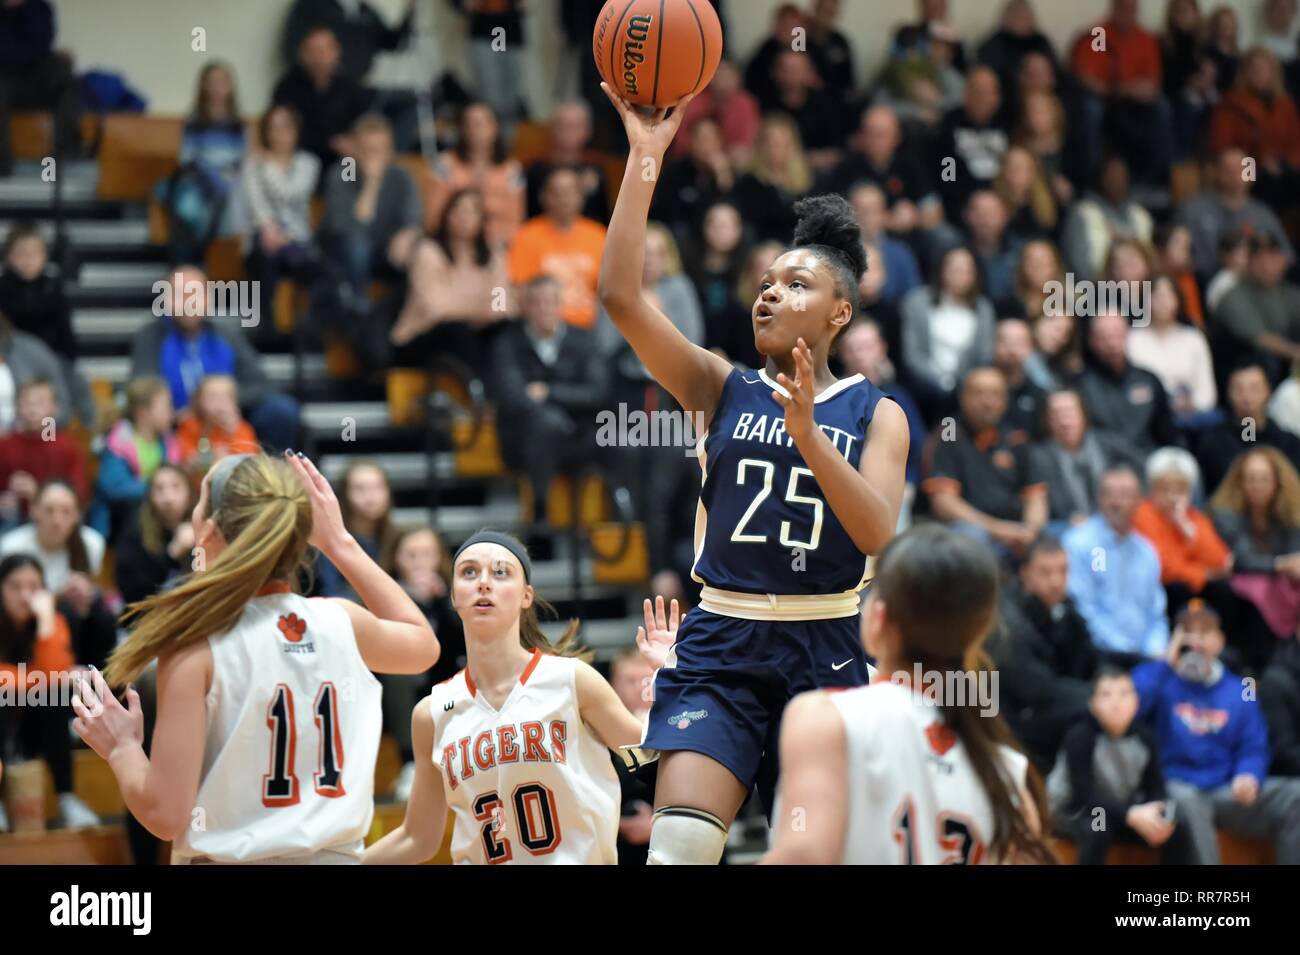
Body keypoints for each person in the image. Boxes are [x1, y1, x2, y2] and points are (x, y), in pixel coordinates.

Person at [597, 84, 910, 864]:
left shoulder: (880, 412)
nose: (772, 290)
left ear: (840, 313)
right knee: (674, 854)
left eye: (797, 283)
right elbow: (619, 296)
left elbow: (877, 532)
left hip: (828, 642)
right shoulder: (719, 384)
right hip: (722, 642)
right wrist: (645, 159)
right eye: (768, 280)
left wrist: (809, 434)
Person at [72, 452, 439, 864]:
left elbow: (165, 815)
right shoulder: (342, 621)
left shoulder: (196, 646)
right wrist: (339, 542)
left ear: (208, 530)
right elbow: (423, 646)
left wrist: (122, 748)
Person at [760, 525, 1053, 864]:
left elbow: (803, 856)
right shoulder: (1008, 775)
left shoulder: (826, 718)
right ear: (977, 635)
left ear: (878, 619)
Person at [363, 531, 646, 864]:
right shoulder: (432, 713)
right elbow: (417, 838)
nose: (484, 583)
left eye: (500, 573)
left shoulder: (572, 680)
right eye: (469, 572)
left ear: (526, 596)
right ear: (453, 595)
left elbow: (655, 759)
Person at [1133, 600, 1300, 864]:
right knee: (1188, 800)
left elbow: (1254, 745)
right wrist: (1167, 661)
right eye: (1188, 631)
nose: (1197, 641)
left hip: (1224, 790)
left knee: (1295, 796)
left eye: (1205, 632)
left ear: (1220, 641)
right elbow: (1128, 710)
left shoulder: (1239, 689)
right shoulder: (1160, 678)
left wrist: (1248, 773)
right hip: (1176, 787)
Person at [131, 264, 302, 454]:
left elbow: (261, 384)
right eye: (181, 295)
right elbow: (141, 389)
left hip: (229, 419)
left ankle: (274, 478)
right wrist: (186, 410)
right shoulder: (150, 337)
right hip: (175, 422)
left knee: (281, 411)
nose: (189, 303)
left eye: (195, 294)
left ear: (208, 298)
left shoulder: (227, 335)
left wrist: (222, 403)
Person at [491, 275, 612, 520]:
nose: (544, 308)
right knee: (546, 424)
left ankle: (618, 525)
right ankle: (540, 511)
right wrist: (559, 409)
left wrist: (549, 392)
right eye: (537, 302)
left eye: (551, 301)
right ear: (526, 307)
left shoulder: (584, 340)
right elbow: (513, 397)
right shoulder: (507, 342)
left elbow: (598, 393)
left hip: (577, 436)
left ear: (561, 305)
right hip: (524, 439)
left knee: (623, 441)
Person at [1055, 667, 1196, 864]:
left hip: (1120, 812)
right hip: (1075, 812)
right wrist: (1130, 814)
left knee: (1176, 828)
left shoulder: (1145, 737)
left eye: (1124, 694)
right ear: (1092, 704)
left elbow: (1156, 787)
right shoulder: (1080, 736)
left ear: (1136, 703)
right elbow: (1083, 797)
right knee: (1098, 828)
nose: (1116, 703)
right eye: (1106, 695)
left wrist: (1154, 813)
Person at [0, 554, 99, 831]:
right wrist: (43, 678)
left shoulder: (55, 621)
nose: (25, 595)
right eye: (15, 587)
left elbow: (55, 678)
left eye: (33, 587)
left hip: (33, 728)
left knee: (52, 698)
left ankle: (66, 798)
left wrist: (45, 626)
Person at [990, 534, 1101, 772]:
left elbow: (1091, 658)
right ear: (1026, 573)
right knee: (1097, 710)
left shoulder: (1065, 608)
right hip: (1014, 717)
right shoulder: (1007, 620)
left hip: (1049, 700)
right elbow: (1036, 688)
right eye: (1046, 572)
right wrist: (1100, 696)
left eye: (1062, 571)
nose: (1056, 580)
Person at [922, 366, 1047, 562]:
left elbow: (1036, 497)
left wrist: (1030, 530)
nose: (987, 402)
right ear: (963, 398)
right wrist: (1000, 530)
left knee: (1060, 540)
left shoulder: (1016, 438)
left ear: (1005, 401)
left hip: (1015, 533)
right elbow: (944, 504)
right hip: (969, 532)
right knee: (973, 537)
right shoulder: (948, 433)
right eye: (978, 393)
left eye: (995, 394)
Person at [390, 187, 513, 377]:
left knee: (505, 329)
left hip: (473, 333)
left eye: (472, 211)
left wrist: (489, 313)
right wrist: (480, 312)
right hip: (421, 336)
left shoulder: (494, 255)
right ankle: (480, 392)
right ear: (447, 215)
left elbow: (502, 301)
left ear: (482, 220)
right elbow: (437, 308)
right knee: (458, 330)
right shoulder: (428, 252)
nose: (464, 217)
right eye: (458, 210)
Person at [381, 524, 464, 802]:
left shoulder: (452, 595)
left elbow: (461, 644)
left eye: (426, 554)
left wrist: (440, 601)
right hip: (397, 682)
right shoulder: (384, 592)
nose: (419, 563)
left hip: (440, 677)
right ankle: (410, 764)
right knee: (398, 677)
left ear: (439, 557)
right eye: (411, 555)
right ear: (396, 559)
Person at [0, 480, 112, 670]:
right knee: (66, 613)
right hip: (22, 621)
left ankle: (99, 681)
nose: (57, 519)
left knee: (101, 615)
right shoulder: (10, 546)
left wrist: (86, 594)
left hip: (69, 619)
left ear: (77, 515)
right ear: (34, 510)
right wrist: (55, 598)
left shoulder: (92, 543)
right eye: (49, 510)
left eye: (66, 511)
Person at [1063, 467, 1169, 666]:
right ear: (1099, 499)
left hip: (1146, 654)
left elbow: (1156, 612)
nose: (1115, 502)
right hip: (1102, 655)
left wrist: (1156, 649)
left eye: (1124, 495)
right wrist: (1125, 650)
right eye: (1108, 494)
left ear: (1139, 502)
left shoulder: (1146, 551)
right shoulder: (1085, 544)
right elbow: (1084, 608)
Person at [1210, 447, 1300, 668]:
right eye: (1251, 479)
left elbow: (1295, 555)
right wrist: (1280, 565)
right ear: (1239, 482)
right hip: (1240, 585)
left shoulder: (1291, 511)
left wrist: (1291, 565)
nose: (1257, 485)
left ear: (1278, 482)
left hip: (1283, 583)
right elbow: (1241, 559)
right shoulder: (1224, 512)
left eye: (1264, 479)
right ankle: (1255, 668)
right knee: (1258, 591)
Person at [240, 104, 321, 345]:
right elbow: (256, 204)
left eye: (286, 125)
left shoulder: (309, 163)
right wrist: (269, 229)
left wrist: (268, 165)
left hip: (299, 238)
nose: (280, 133)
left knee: (317, 263)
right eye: (274, 127)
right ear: (266, 131)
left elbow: (290, 193)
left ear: (296, 130)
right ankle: (267, 326)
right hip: (264, 234)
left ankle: (309, 326)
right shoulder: (252, 164)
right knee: (263, 254)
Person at [899, 246, 997, 416]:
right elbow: (913, 355)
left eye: (966, 270)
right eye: (954, 268)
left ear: (974, 275)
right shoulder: (916, 302)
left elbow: (984, 356)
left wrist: (959, 384)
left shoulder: (983, 309)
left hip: (966, 389)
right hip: (923, 387)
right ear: (942, 270)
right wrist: (942, 382)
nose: (959, 275)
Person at [508, 166, 607, 330]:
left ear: (581, 197)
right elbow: (520, 290)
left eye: (570, 192)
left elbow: (609, 291)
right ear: (543, 197)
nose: (564, 199)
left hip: (592, 329)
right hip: (545, 327)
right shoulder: (526, 236)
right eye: (556, 193)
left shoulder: (599, 235)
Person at [1032, 389, 1143, 532]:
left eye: (1070, 413)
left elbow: (1143, 469)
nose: (1065, 422)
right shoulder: (1039, 457)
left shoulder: (1109, 445)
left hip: (1116, 525)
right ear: (1048, 421)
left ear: (1083, 415)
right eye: (1057, 415)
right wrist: (1067, 521)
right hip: (1070, 532)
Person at [1075, 310, 1179, 458]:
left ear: (1128, 335)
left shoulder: (1148, 379)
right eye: (1104, 337)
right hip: (1104, 465)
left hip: (1149, 461)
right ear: (1092, 341)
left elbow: (1168, 434)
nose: (1112, 342)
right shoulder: (1079, 386)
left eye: (1117, 334)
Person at [1177, 147, 1293, 280]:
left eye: (1243, 170)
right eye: (1230, 170)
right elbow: (1180, 254)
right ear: (1216, 172)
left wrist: (1269, 266)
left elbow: (1287, 255)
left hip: (1257, 284)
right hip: (1207, 282)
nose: (1237, 176)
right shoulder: (1193, 210)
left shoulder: (1263, 213)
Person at [88, 375, 180, 541]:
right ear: (143, 412)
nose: (171, 412)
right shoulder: (119, 442)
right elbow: (114, 488)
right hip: (120, 524)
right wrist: (156, 489)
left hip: (158, 518)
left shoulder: (167, 442)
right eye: (166, 406)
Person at [425, 101, 525, 246]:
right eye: (468, 124)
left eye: (480, 123)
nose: (474, 130)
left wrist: (493, 243)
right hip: (450, 244)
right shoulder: (444, 164)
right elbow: (432, 217)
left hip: (498, 246)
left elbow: (516, 221)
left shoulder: (513, 170)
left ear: (495, 128)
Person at [271, 27, 372, 169]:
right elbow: (283, 127)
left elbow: (365, 120)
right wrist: (331, 141)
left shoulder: (350, 86)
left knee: (352, 165)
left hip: (343, 157)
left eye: (325, 50)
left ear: (337, 51)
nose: (320, 58)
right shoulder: (287, 88)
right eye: (314, 51)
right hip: (301, 158)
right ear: (302, 55)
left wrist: (353, 141)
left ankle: (350, 189)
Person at [0, 0, 80, 177]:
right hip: (5, 83)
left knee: (66, 78)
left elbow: (40, 46)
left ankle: (61, 156)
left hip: (36, 81)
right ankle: (2, 164)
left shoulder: (39, 9)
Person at [1195, 360, 1300, 493]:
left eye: (1254, 389)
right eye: (1238, 389)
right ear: (1228, 393)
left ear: (1269, 391)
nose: (1246, 397)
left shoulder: (1289, 443)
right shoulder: (1212, 441)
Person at [1209, 232, 1300, 387]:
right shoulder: (1233, 295)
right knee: (1267, 358)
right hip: (1240, 372)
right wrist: (1295, 352)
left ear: (1283, 260)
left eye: (1272, 257)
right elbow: (1258, 338)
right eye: (1259, 258)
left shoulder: (1290, 293)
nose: (1266, 265)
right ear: (1248, 262)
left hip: (1285, 369)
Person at [0, 379, 89, 528]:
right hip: (11, 520)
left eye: (40, 403)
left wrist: (38, 494)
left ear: (54, 408)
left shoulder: (66, 446)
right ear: (17, 408)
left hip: (54, 520)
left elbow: (80, 495)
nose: (32, 409)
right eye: (26, 403)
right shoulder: (6, 445)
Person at [114, 464, 194, 607]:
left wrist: (198, 549)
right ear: (149, 496)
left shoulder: (201, 528)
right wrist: (171, 553)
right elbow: (133, 594)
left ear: (189, 492)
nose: (168, 498)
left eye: (176, 487)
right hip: (148, 617)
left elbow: (204, 577)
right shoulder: (135, 532)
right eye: (159, 489)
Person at [315, 460, 397, 599]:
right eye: (360, 488)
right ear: (345, 494)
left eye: (378, 487)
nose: (371, 497)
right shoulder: (332, 541)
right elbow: (332, 594)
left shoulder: (396, 538)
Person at [0, 222, 73, 362]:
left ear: (45, 256)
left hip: (51, 359)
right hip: (10, 359)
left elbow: (66, 336)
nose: (28, 260)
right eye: (21, 253)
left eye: (34, 253)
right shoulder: (2, 288)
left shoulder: (53, 288)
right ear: (8, 256)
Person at [175, 374, 260, 476]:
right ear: (199, 400)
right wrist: (210, 455)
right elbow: (185, 461)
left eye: (225, 397)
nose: (219, 403)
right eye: (212, 396)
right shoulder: (189, 425)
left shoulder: (241, 428)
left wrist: (232, 431)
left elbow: (249, 463)